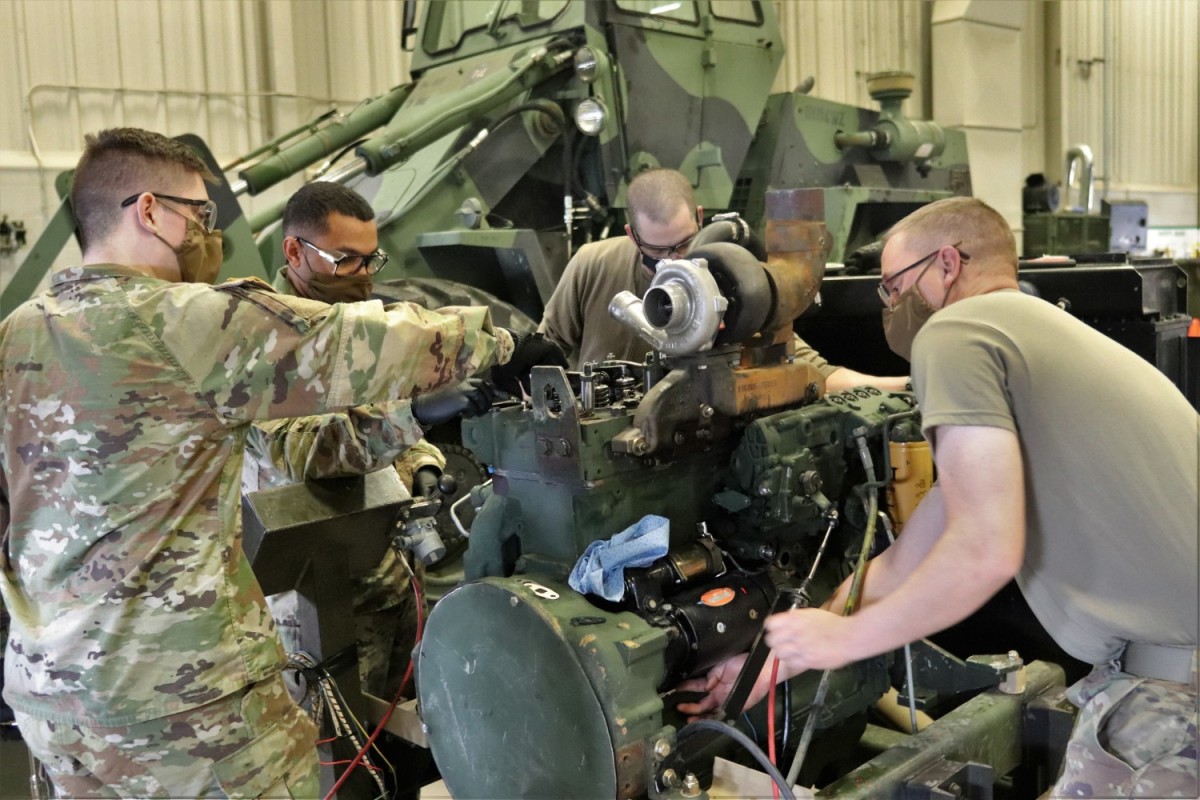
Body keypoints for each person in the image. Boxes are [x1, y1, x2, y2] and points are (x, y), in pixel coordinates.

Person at [0, 127, 556, 798]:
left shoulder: (19, 332)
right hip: (181, 700)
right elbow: (359, 341)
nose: (207, 233)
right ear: (149, 211)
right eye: (199, 215)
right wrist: (502, 343)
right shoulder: (186, 322)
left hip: (50, 698)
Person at [679, 197, 1199, 797]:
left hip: (1172, 688)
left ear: (948, 264)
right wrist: (786, 653)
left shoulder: (958, 331)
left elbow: (984, 550)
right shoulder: (1030, 335)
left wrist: (848, 640)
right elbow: (912, 554)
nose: (891, 307)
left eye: (894, 287)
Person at [243, 181, 490, 701]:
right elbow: (305, 452)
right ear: (294, 251)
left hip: (395, 582)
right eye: (346, 260)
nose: (363, 276)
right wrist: (415, 415)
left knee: (398, 748)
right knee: (335, 759)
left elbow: (381, 411)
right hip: (319, 603)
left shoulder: (362, 327)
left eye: (370, 259)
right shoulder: (264, 342)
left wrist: (422, 461)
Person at [538, 167, 907, 392]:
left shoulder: (730, 280)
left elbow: (812, 371)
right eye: (658, 251)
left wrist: (904, 386)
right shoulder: (593, 264)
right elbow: (543, 354)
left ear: (700, 218)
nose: (674, 261)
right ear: (633, 236)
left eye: (684, 245)